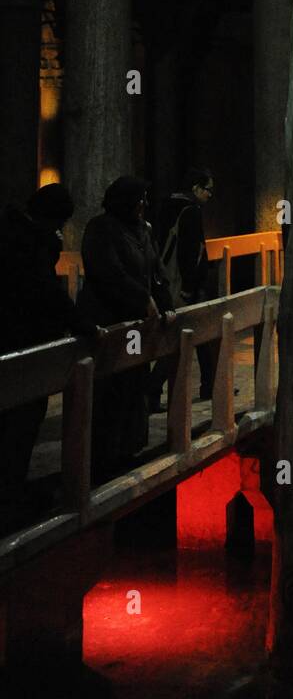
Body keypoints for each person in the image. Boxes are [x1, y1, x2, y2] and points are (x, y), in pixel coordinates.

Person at [0, 184, 96, 514]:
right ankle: (11, 494)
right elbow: (46, 292)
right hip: (25, 341)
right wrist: (84, 326)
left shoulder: (15, 234)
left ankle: (12, 490)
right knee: (22, 422)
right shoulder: (31, 245)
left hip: (17, 340)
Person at [77, 177, 174, 481]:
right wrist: (141, 298)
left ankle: (128, 447)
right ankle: (102, 458)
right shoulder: (101, 228)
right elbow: (108, 272)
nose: (143, 204)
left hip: (139, 325)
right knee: (110, 389)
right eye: (138, 199)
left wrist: (166, 303)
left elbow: (155, 269)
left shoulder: (142, 231)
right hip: (110, 320)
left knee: (134, 384)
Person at [150, 167, 216, 407]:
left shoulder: (166, 206)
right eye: (208, 189)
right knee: (184, 335)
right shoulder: (191, 211)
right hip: (184, 283)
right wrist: (190, 286)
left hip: (168, 280)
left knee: (201, 331)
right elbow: (191, 253)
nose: (210, 195)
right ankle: (153, 386)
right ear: (196, 188)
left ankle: (210, 383)